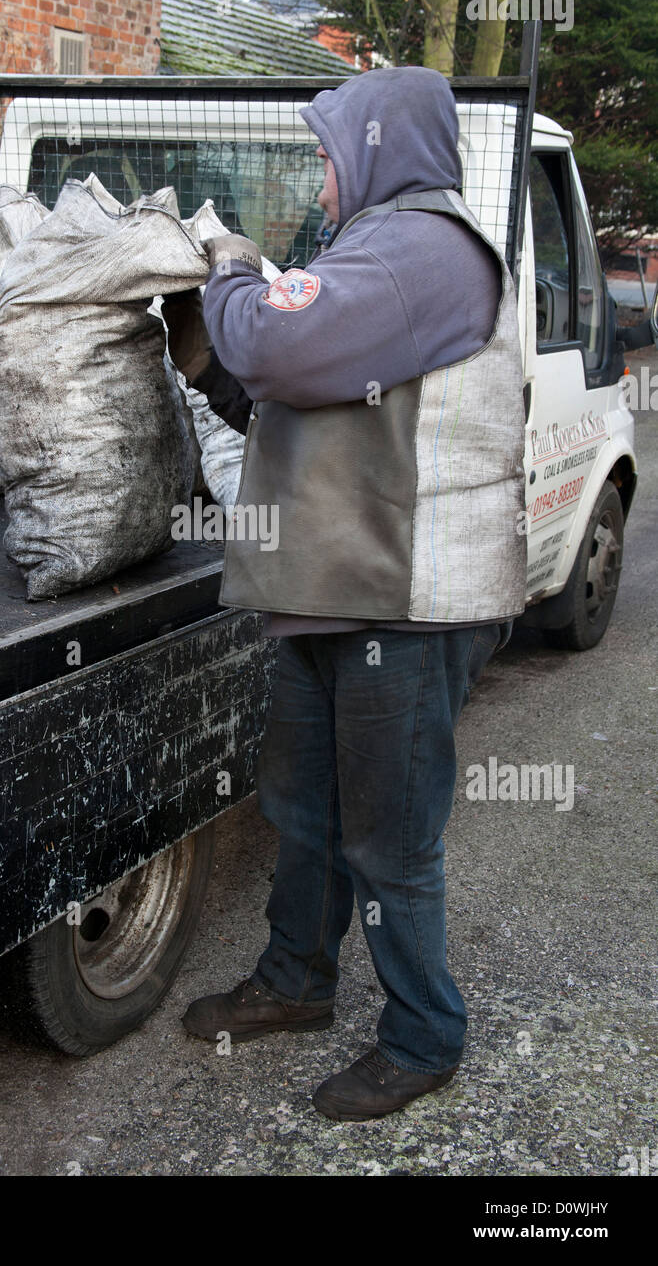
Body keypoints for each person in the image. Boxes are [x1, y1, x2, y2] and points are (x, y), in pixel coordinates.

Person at [162, 66, 527, 1121]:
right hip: (339, 587)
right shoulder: (372, 251)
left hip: (405, 602)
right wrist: (206, 357)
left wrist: (229, 270)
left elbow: (277, 339)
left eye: (325, 155)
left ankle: (423, 1035)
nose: (319, 181)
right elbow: (303, 408)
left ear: (372, 145)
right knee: (305, 809)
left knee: (387, 835)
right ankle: (294, 982)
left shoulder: (422, 248)